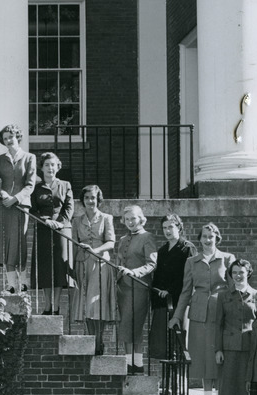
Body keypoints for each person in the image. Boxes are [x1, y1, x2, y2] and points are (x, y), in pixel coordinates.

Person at [169, 222, 235, 395]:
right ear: (199, 239)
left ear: (217, 239)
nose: (207, 240)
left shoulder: (227, 259)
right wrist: (177, 316)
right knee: (204, 360)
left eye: (211, 237)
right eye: (204, 236)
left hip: (221, 313)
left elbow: (233, 288)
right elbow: (186, 290)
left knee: (220, 358)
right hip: (198, 315)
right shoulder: (191, 262)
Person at [214, 259, 257, 395]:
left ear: (248, 273)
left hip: (250, 348)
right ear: (231, 275)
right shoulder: (223, 296)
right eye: (235, 273)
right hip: (229, 348)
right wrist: (218, 349)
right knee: (231, 387)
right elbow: (218, 325)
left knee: (246, 388)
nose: (238, 276)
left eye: (242, 272)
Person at [71, 185, 118, 355]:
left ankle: (99, 342)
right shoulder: (76, 221)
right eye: (87, 198)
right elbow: (73, 244)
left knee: (98, 304)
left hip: (100, 264)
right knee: (86, 305)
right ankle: (91, 339)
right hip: (82, 264)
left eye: (93, 198)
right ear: (82, 200)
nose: (90, 201)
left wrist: (95, 250)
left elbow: (111, 242)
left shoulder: (106, 218)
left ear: (98, 199)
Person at [0, 124, 36, 290]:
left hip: (20, 206)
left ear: (18, 137)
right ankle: (11, 284)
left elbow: (30, 185)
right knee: (5, 243)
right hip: (2, 206)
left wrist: (16, 198)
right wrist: (3, 194)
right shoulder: (0, 160)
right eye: (5, 138)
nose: (8, 141)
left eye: (11, 137)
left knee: (19, 242)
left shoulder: (29, 158)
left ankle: (23, 281)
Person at [114, 205, 159, 374]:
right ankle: (128, 364)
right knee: (125, 325)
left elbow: (152, 263)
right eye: (127, 219)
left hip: (139, 288)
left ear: (141, 218)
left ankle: (138, 365)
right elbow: (119, 262)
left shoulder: (147, 237)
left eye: (133, 218)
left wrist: (135, 272)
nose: (131, 222)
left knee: (135, 325)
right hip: (123, 289)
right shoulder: (123, 240)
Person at [148, 214, 197, 361]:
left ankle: (180, 379)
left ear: (179, 227)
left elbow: (188, 278)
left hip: (180, 301)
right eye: (164, 227)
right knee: (164, 346)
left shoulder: (188, 248)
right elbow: (157, 278)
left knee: (179, 343)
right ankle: (168, 379)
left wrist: (170, 291)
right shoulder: (162, 251)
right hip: (162, 302)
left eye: (171, 227)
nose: (167, 230)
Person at [28, 152, 73, 312]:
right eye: (47, 165)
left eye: (53, 165)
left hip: (62, 230)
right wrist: (45, 221)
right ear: (42, 167)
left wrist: (59, 223)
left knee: (60, 265)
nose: (50, 168)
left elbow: (69, 208)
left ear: (58, 167)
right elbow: (31, 209)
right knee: (45, 266)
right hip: (43, 228)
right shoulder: (35, 187)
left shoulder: (66, 185)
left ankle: (57, 305)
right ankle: (48, 305)